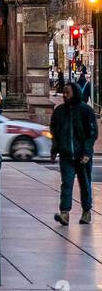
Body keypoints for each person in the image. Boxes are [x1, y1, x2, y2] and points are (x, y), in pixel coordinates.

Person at [50, 83, 97, 226]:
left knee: (85, 184)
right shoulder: (59, 111)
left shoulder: (86, 110)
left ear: (74, 93)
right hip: (66, 155)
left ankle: (87, 211)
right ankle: (64, 213)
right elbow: (55, 132)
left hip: (82, 156)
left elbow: (92, 134)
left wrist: (87, 152)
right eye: (63, 92)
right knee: (66, 184)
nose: (64, 95)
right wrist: (54, 150)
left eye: (67, 93)